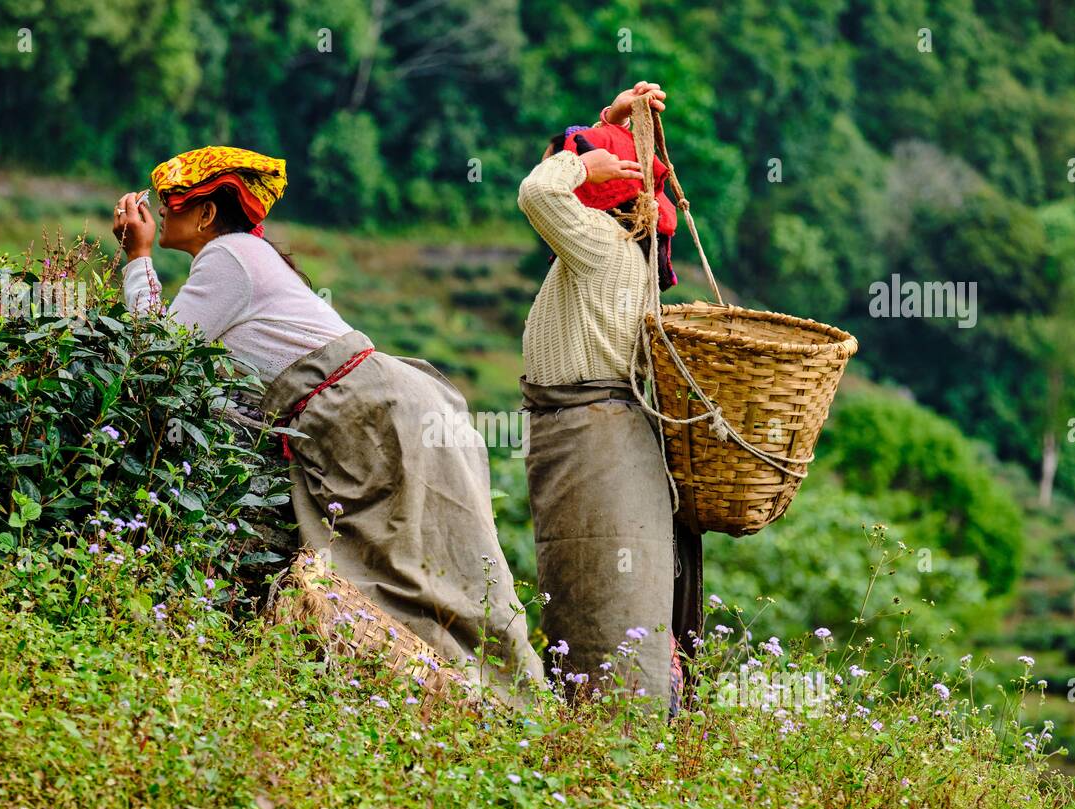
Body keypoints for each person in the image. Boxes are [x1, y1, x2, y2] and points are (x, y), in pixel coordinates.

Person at [112, 145, 544, 702]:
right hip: (387, 407)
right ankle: (502, 697)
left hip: (372, 417)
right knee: (446, 564)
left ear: (207, 214)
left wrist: (137, 257)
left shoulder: (228, 259)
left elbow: (153, 356)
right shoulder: (242, 256)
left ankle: (498, 699)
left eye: (171, 203)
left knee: (413, 569)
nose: (161, 212)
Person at [517, 84, 702, 713]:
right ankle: (623, 735)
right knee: (591, 593)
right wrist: (608, 127)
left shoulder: (598, 245)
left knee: (596, 599)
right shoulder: (628, 254)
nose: (560, 172)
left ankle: (610, 740)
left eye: (574, 167)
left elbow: (537, 191)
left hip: (590, 438)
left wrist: (581, 163)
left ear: (597, 197)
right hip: (598, 435)